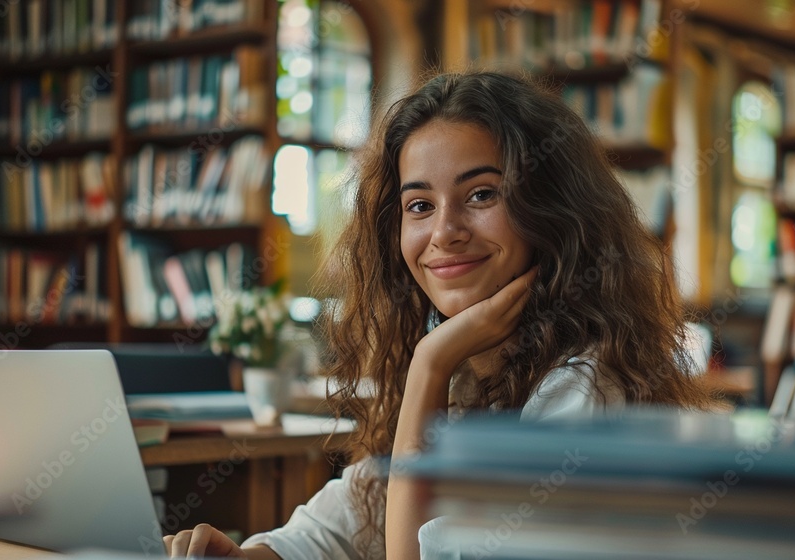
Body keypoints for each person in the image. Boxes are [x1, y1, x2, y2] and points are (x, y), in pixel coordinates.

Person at [164, 70, 719, 559]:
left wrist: (430, 363)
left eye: (481, 195)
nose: (444, 232)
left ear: (553, 213)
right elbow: (351, 517)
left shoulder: (585, 390)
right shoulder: (470, 369)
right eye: (420, 205)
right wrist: (249, 556)